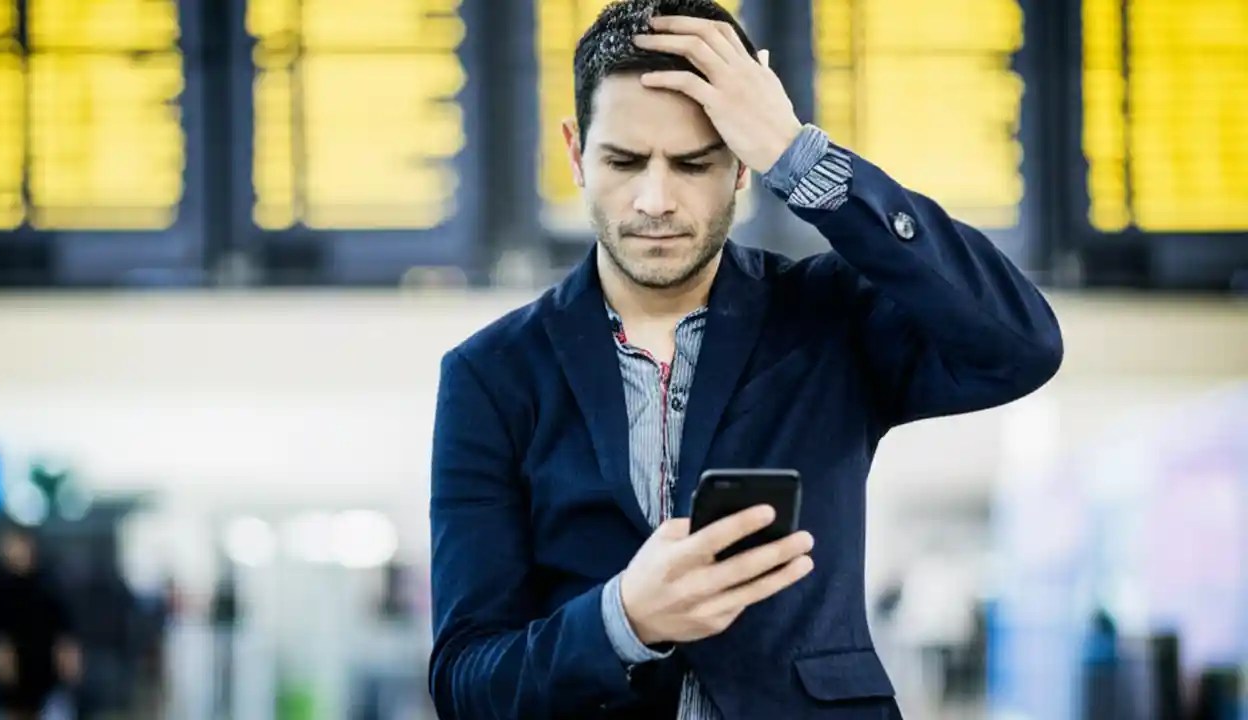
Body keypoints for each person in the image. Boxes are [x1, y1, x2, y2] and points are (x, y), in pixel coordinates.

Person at [427, 0, 1063, 717]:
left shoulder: (828, 319)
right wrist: (623, 621)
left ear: (741, 167)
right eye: (623, 161)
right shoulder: (491, 374)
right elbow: (466, 680)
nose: (656, 200)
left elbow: (1020, 345)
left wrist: (799, 153)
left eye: (694, 163)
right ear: (576, 153)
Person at [0, 526, 82, 720]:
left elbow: (63, 626)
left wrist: (68, 655)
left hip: (45, 664)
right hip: (15, 668)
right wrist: (0, 655)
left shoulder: (48, 583)